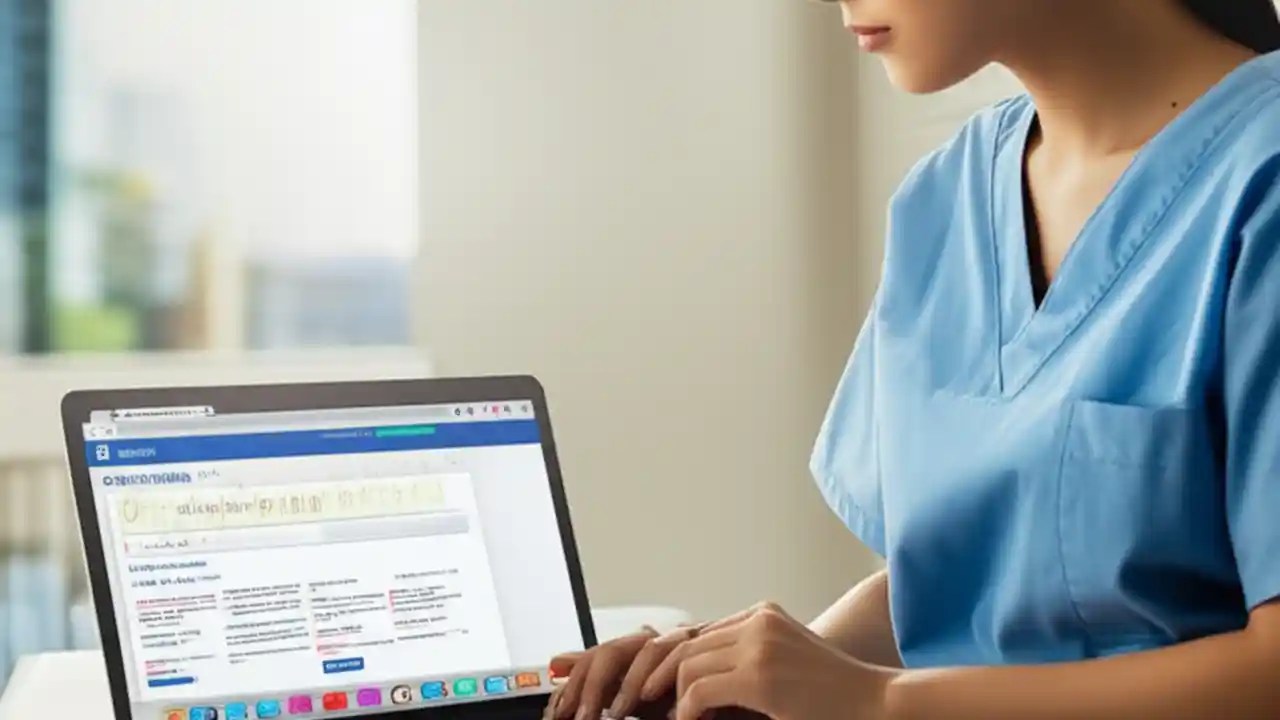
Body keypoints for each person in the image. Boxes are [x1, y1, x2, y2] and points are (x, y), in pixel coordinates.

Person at [546, 1, 1280, 719]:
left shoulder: (1260, 180)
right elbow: (961, 578)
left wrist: (877, 701)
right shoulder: (944, 196)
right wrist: (750, 677)